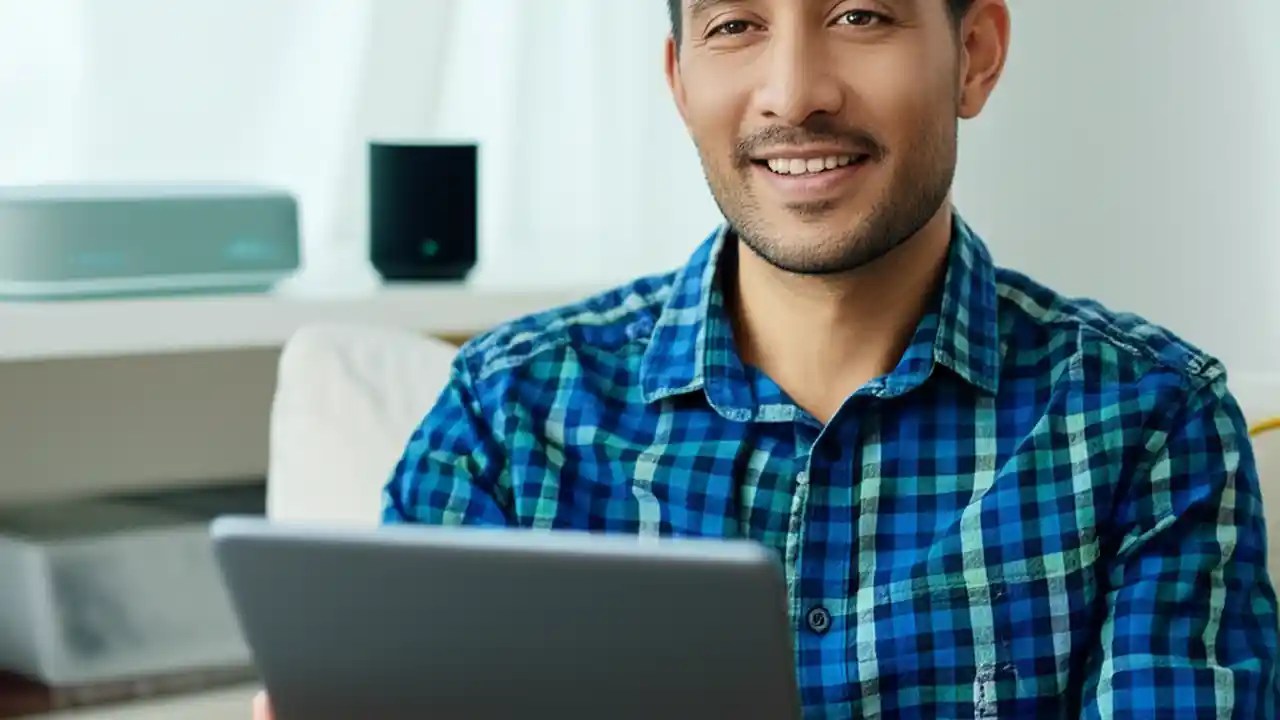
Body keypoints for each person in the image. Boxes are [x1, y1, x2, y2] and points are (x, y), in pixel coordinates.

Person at [256, 0, 1280, 717]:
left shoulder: (1149, 420)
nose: (793, 93)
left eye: (859, 16)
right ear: (679, 76)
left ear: (973, 53)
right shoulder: (504, 413)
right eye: (734, 26)